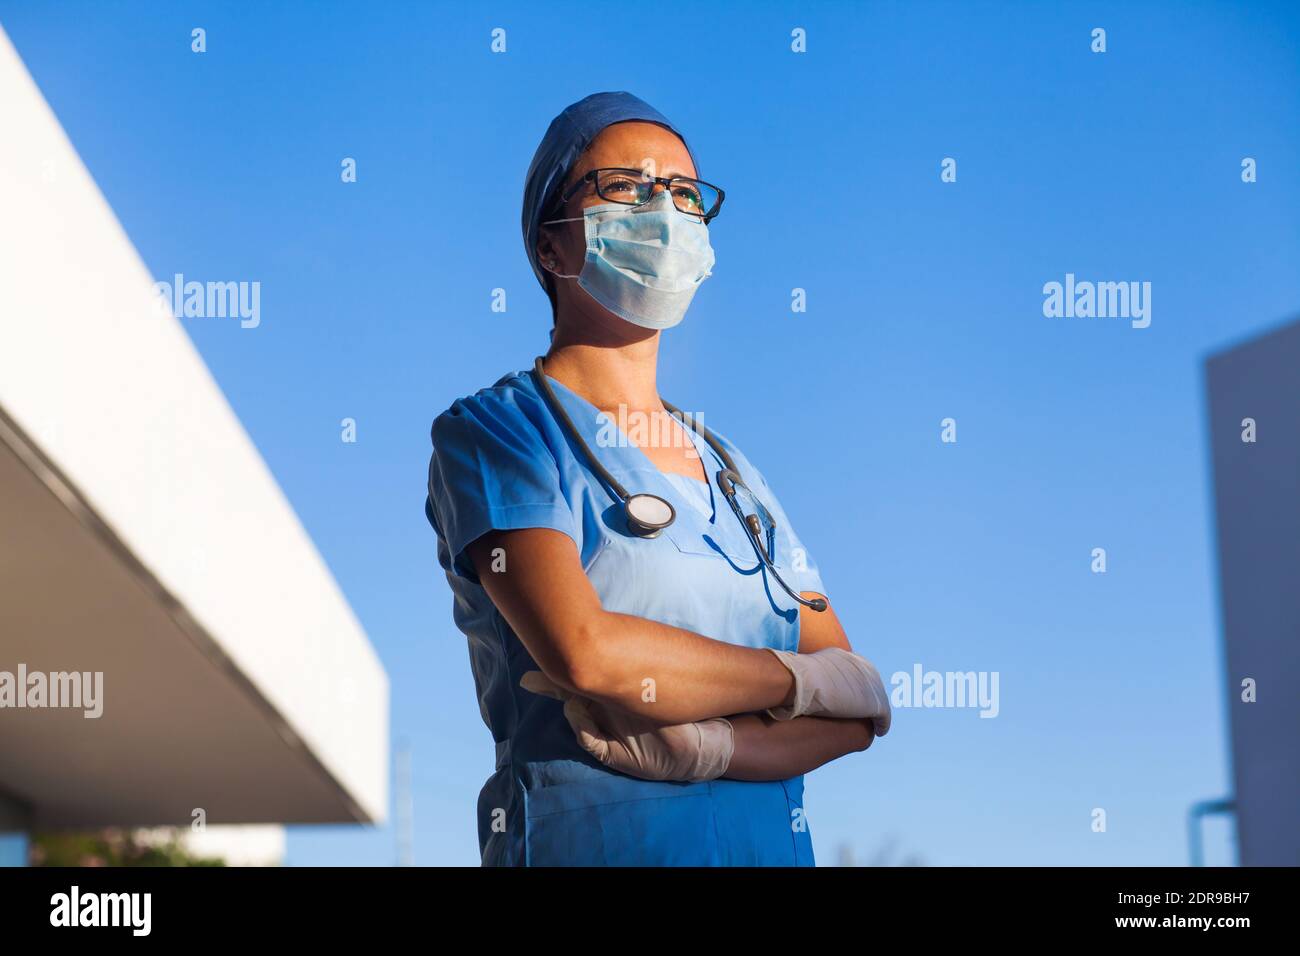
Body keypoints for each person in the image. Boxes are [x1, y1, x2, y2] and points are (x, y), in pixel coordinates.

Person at [425, 91, 891, 866]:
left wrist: (704, 748)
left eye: (682, 193)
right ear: (550, 245)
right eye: (628, 188)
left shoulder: (733, 473)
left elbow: (856, 708)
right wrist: (796, 683)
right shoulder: (500, 432)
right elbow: (588, 653)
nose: (665, 211)